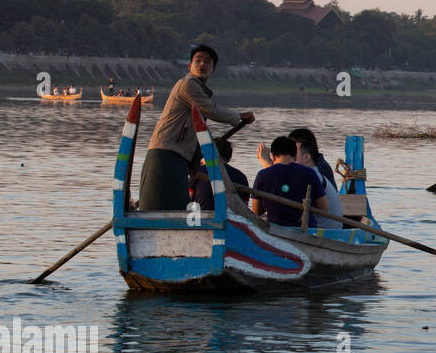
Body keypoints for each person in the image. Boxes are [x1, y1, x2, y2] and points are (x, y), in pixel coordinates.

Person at [138, 44, 254, 210]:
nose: (202, 64)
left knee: (177, 205)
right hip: (165, 152)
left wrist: (194, 159)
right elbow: (211, 109)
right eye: (198, 61)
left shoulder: (198, 88)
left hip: (178, 156)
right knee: (160, 205)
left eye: (207, 62)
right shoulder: (188, 84)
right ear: (189, 66)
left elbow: (197, 129)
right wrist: (239, 117)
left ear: (213, 69)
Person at [251, 136, 329, 227]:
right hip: (306, 229)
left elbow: (256, 212)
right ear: (295, 155)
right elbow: (324, 208)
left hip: (275, 229)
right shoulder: (310, 173)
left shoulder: (263, 175)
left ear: (273, 156)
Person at [193, 139, 250, 212]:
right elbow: (245, 207)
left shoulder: (199, 171)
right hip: (232, 220)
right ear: (229, 157)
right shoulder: (242, 177)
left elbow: (189, 200)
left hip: (204, 220)